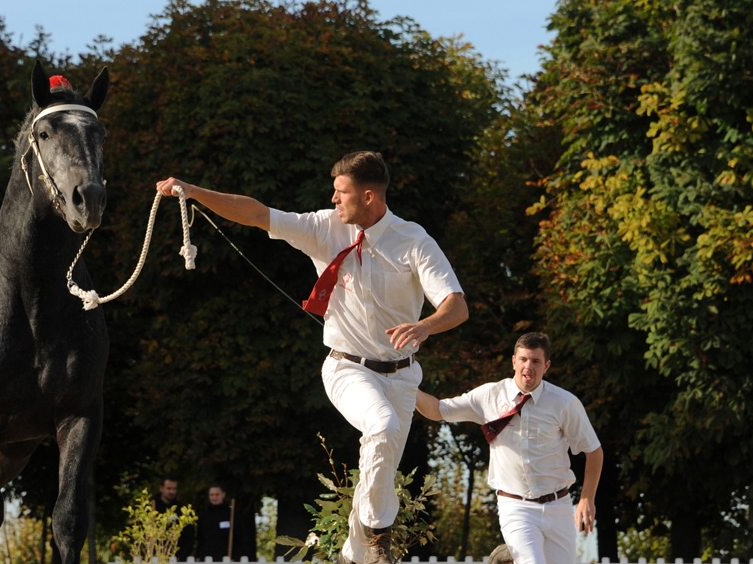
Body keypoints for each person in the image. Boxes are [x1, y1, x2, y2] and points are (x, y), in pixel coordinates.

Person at [155, 151, 468, 564]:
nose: (334, 199)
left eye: (342, 192)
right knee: (382, 425)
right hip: (346, 367)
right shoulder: (324, 227)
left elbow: (456, 305)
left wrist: (425, 325)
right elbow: (258, 213)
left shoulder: (413, 240)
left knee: (381, 467)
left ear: (369, 196)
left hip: (403, 376)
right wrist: (194, 192)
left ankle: (353, 555)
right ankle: (378, 537)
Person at [415, 332, 603, 564]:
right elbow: (437, 409)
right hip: (515, 506)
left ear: (547, 366)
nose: (528, 366)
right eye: (523, 359)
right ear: (513, 361)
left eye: (536, 361)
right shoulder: (489, 396)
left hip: (558, 506)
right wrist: (406, 386)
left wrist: (587, 498)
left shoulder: (564, 403)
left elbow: (593, 451)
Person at [195, 482, 256, 561]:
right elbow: (201, 540)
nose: (214, 497)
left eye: (217, 495)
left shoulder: (232, 515)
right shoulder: (204, 516)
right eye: (212, 495)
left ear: (223, 495)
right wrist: (198, 556)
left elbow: (241, 539)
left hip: (228, 559)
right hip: (207, 559)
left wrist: (236, 557)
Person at [153, 476, 196, 560]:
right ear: (161, 488)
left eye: (174, 489)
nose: (172, 492)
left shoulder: (182, 509)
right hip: (155, 556)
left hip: (178, 557)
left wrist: (183, 555)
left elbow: (189, 535)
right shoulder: (152, 508)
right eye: (169, 488)